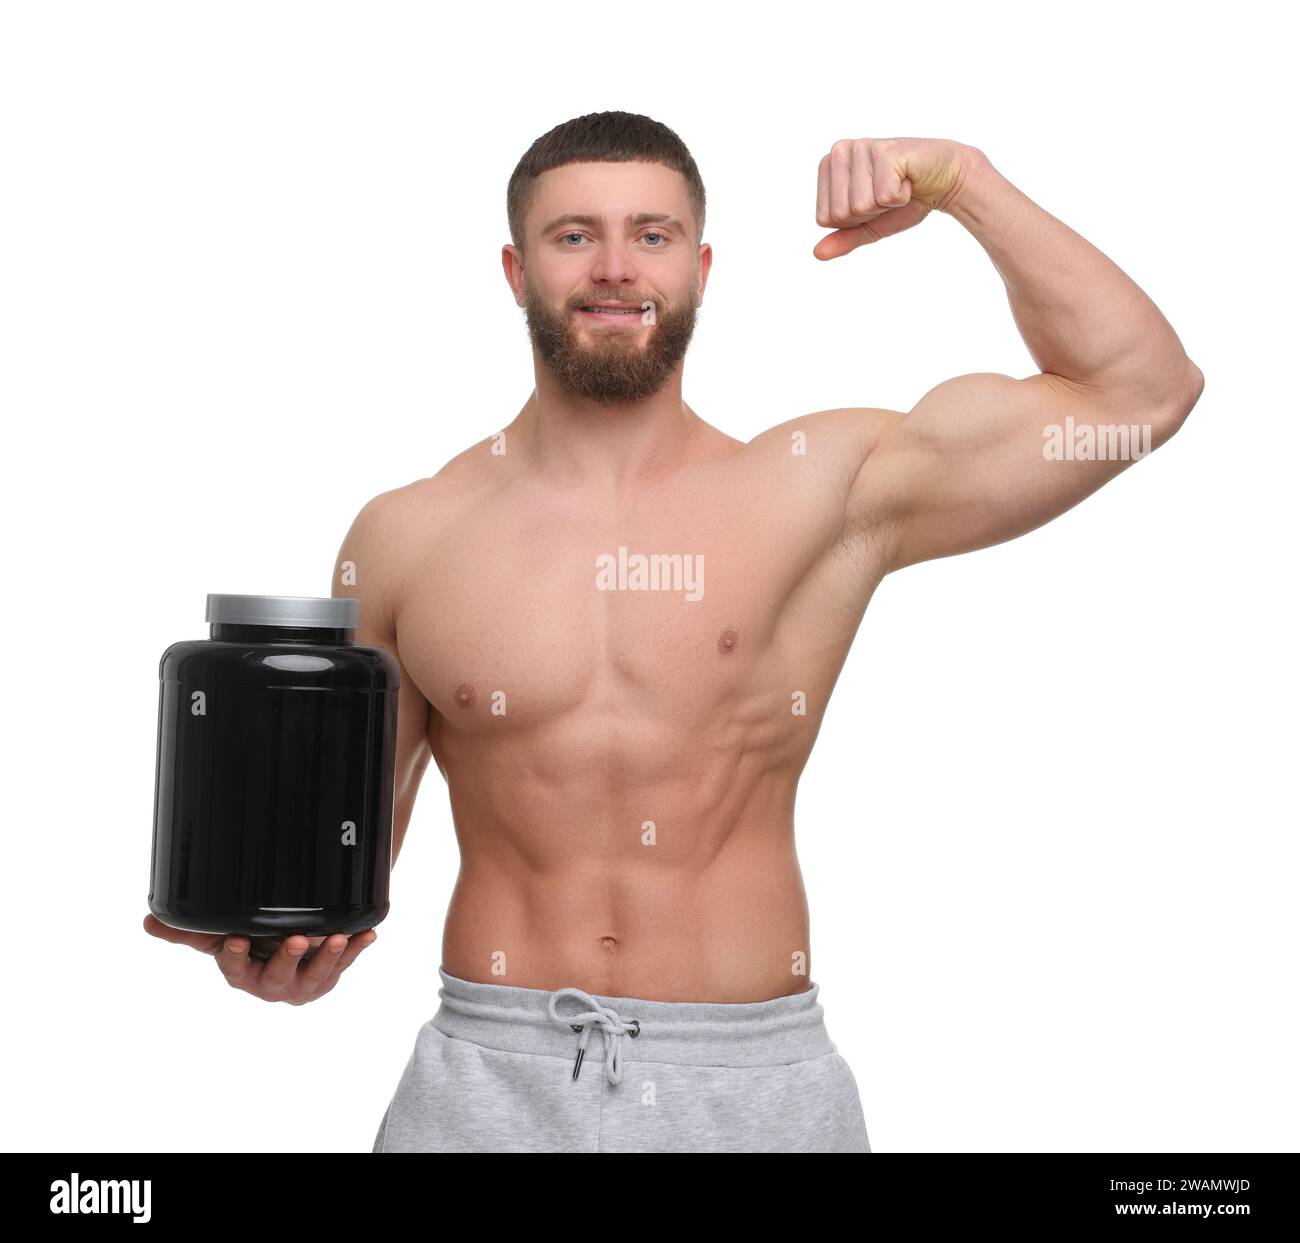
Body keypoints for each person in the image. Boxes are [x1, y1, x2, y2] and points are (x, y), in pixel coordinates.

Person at [144, 111, 1203, 1152]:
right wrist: (280, 945)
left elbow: (1142, 391)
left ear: (700, 267)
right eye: (574, 236)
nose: (614, 267)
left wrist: (965, 180)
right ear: (516, 272)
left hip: (750, 1084)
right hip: (487, 1081)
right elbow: (342, 844)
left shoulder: (820, 489)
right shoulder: (407, 533)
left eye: (650, 236)